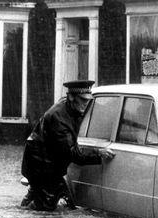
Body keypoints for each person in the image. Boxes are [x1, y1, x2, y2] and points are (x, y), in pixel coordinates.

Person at [20, 79, 114, 211]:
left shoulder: (69, 107)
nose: (85, 105)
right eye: (82, 100)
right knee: (49, 209)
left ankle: (29, 204)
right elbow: (74, 155)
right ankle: (29, 211)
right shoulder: (59, 120)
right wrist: (98, 153)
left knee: (64, 201)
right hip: (41, 167)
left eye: (88, 101)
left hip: (47, 164)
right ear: (71, 97)